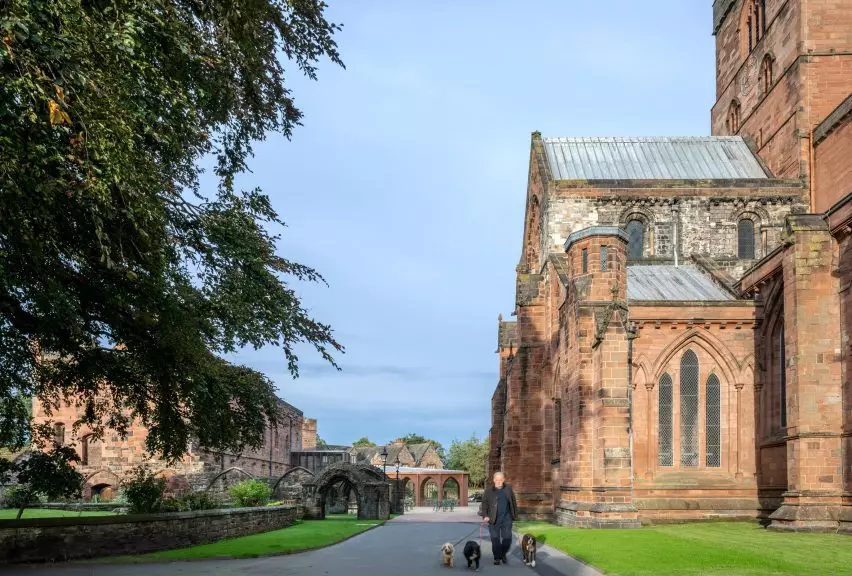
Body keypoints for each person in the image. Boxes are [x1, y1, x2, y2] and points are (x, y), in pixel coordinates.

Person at [479, 471, 517, 565]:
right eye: (497, 479)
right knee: (495, 539)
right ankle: (497, 558)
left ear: (503, 480)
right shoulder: (488, 491)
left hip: (506, 519)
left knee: (507, 539)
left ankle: (502, 554)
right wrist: (485, 515)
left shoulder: (508, 489)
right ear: (494, 480)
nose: (498, 481)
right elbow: (484, 505)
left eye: (500, 479)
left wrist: (514, 515)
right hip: (493, 519)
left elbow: (513, 503)